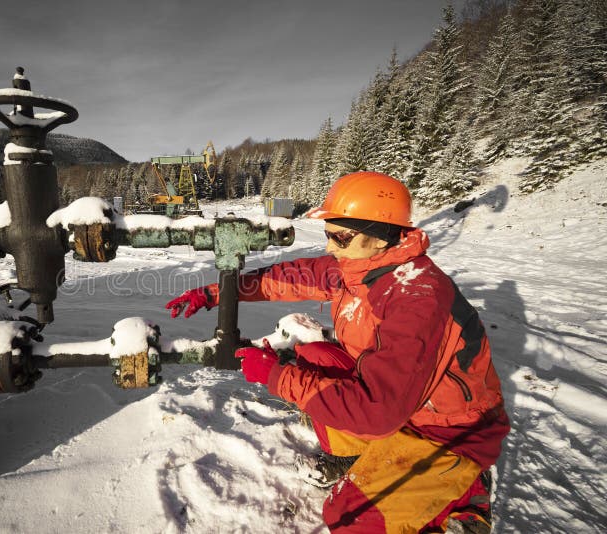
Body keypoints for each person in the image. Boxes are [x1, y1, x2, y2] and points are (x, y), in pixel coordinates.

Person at [165, 171, 510, 533]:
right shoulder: (360, 267)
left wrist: (276, 375)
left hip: (447, 432)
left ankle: (466, 491)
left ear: (379, 235)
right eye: (329, 233)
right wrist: (221, 292)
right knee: (317, 359)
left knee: (348, 518)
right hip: (402, 407)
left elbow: (376, 409)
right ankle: (359, 459)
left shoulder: (417, 298)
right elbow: (292, 277)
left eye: (340, 236)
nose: (330, 247)